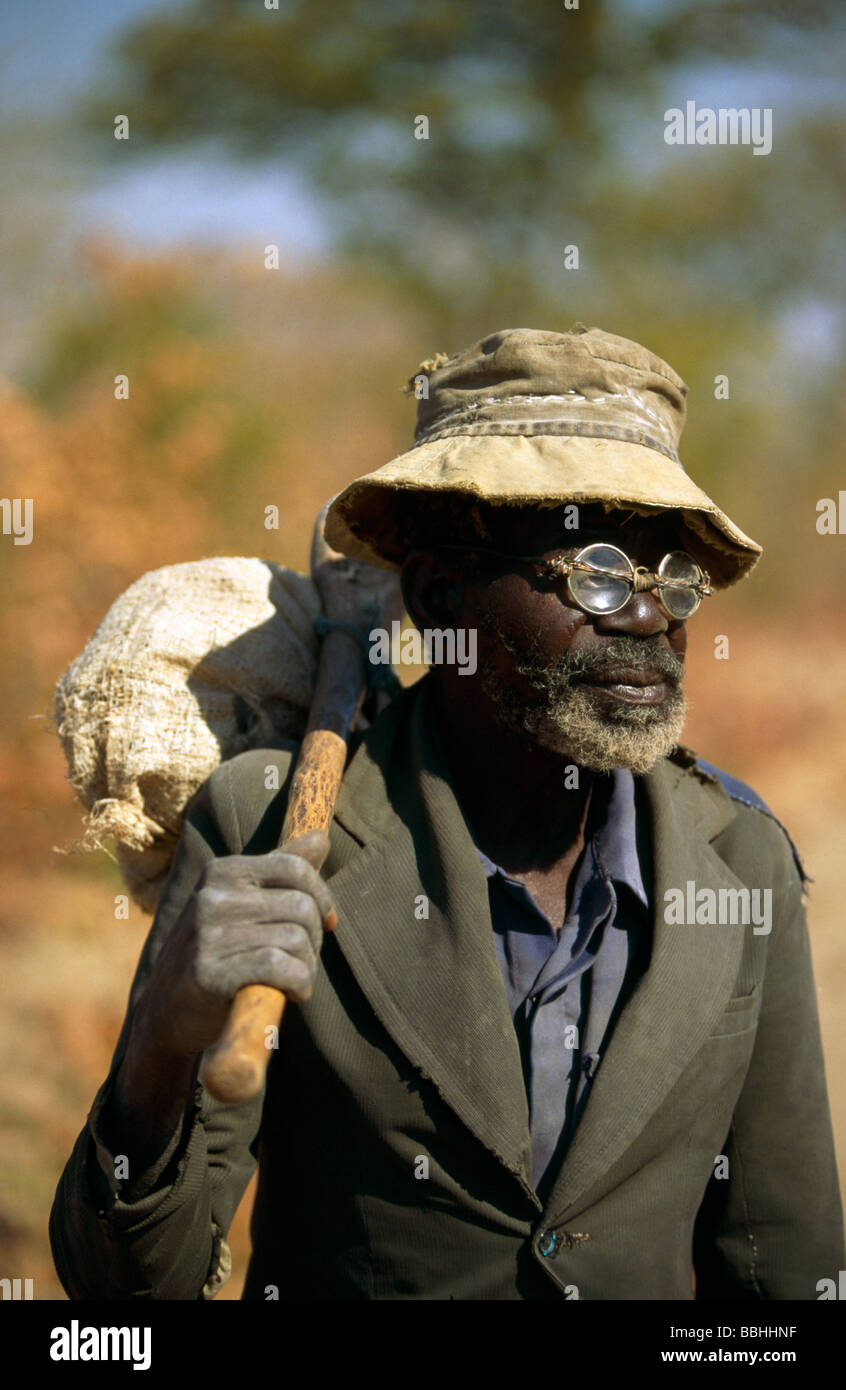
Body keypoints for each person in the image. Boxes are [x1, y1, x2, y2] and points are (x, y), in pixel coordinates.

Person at [50, 325, 844, 1300]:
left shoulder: (741, 860)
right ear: (440, 592)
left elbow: (785, 1262)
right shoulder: (274, 827)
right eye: (596, 570)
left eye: (672, 576)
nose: (649, 618)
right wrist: (158, 1048)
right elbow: (125, 1291)